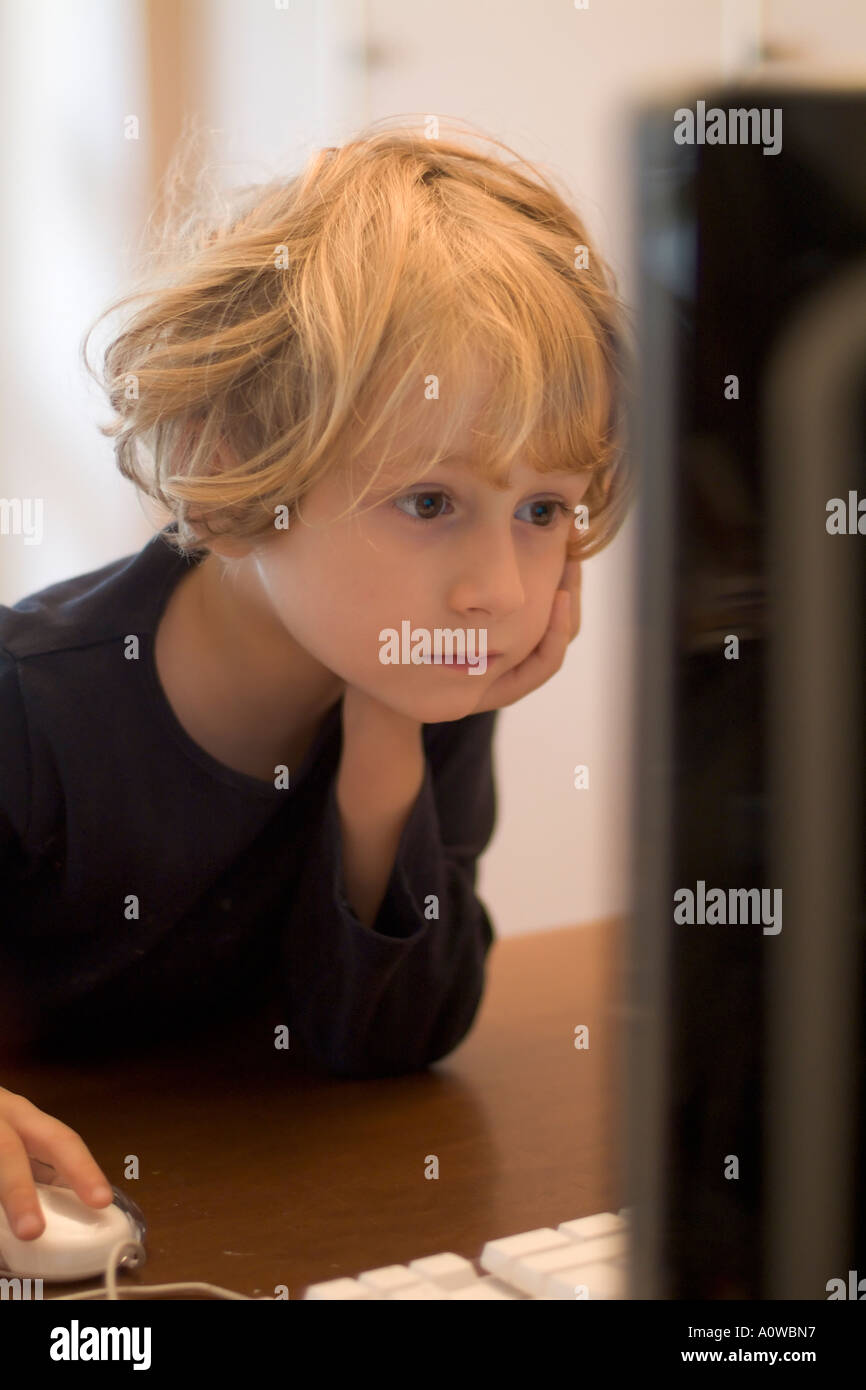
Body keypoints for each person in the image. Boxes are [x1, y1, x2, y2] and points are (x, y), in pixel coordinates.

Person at [0, 120, 634, 1245]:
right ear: (225, 460)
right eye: (429, 502)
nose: (494, 589)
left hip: (236, 1206)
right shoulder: (30, 706)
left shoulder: (407, 672)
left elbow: (386, 1043)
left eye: (541, 510)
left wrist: (389, 746)